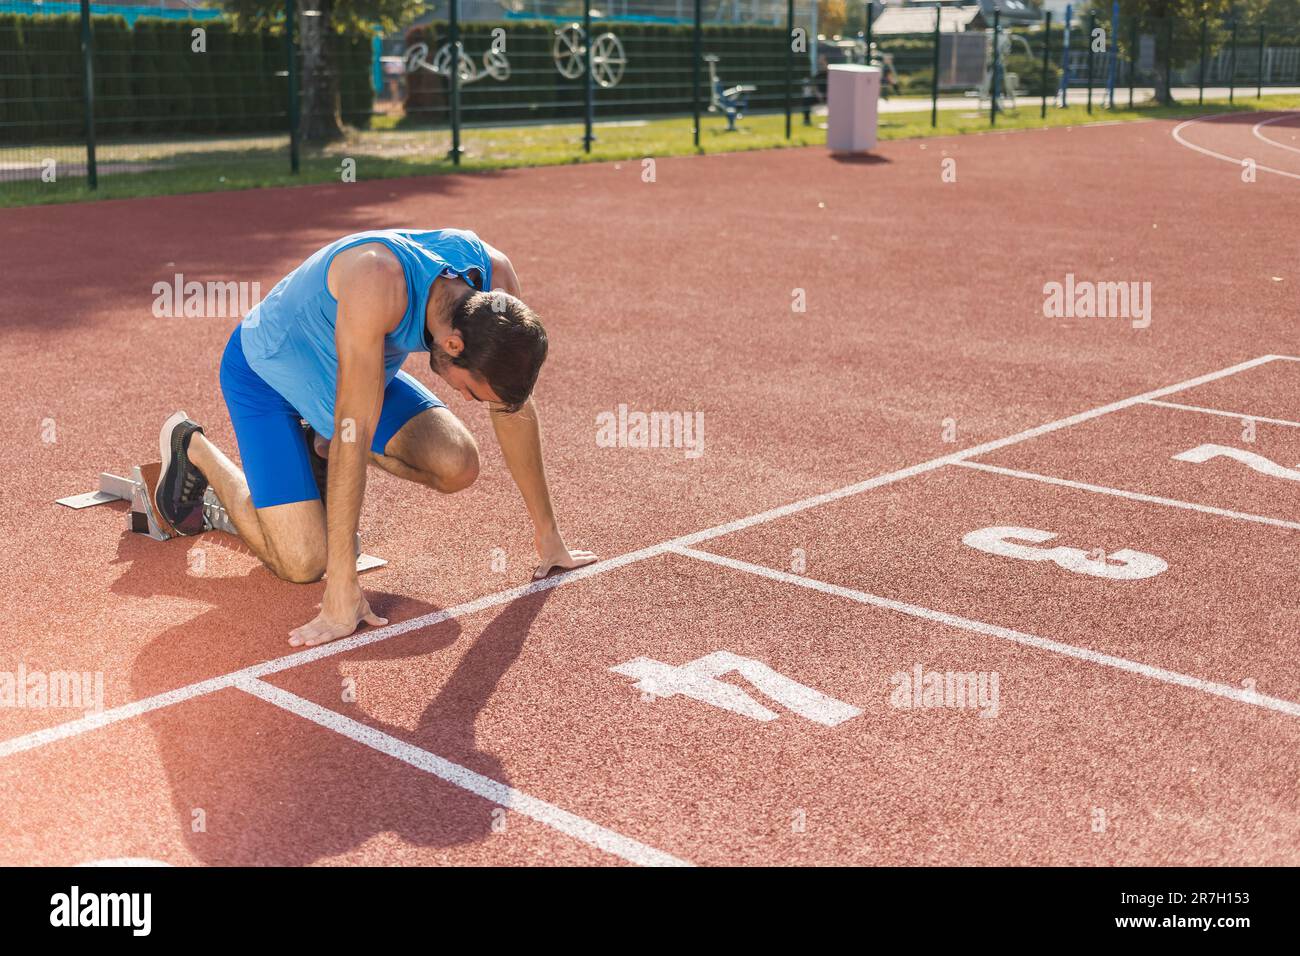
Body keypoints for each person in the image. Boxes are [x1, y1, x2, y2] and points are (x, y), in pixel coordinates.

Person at [152, 228, 596, 648]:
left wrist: (549, 536)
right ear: (455, 345)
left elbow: (512, 410)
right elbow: (354, 429)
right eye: (472, 393)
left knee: (457, 465)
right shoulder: (375, 280)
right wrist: (342, 586)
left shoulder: (495, 283)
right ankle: (195, 449)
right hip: (265, 372)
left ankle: (312, 443)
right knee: (305, 562)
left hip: (351, 372)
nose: (472, 401)